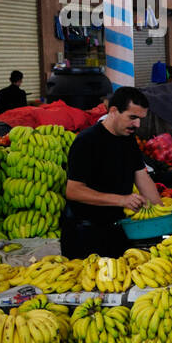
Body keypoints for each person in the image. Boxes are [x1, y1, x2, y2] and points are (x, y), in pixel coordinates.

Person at [61, 87, 161, 259]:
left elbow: (142, 177)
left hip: (116, 228)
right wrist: (121, 200)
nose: (137, 124)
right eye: (132, 117)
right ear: (114, 111)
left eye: (140, 119)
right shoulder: (87, 141)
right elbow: (73, 190)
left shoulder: (128, 139)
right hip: (85, 234)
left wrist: (162, 213)